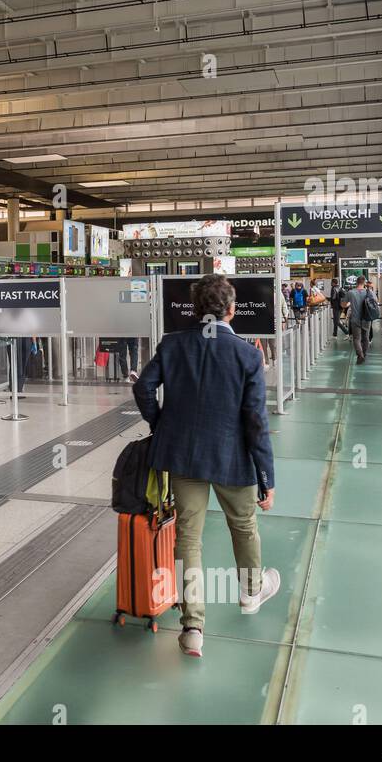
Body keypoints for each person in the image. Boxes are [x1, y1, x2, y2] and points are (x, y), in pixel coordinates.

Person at [133, 274, 279, 659]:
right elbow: (256, 421)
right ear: (232, 310)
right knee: (244, 526)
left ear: (196, 309)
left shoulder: (172, 344)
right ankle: (250, 593)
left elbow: (143, 387)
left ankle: (192, 628)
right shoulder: (248, 355)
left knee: (188, 538)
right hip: (234, 457)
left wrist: (160, 422)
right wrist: (266, 476)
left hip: (182, 455)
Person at [344, 276, 378, 363]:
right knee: (366, 338)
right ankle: (364, 354)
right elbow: (376, 302)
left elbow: (343, 304)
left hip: (355, 319)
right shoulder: (370, 292)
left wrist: (349, 304)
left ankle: (360, 355)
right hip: (366, 318)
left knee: (356, 339)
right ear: (364, 283)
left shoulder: (350, 292)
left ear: (356, 282)